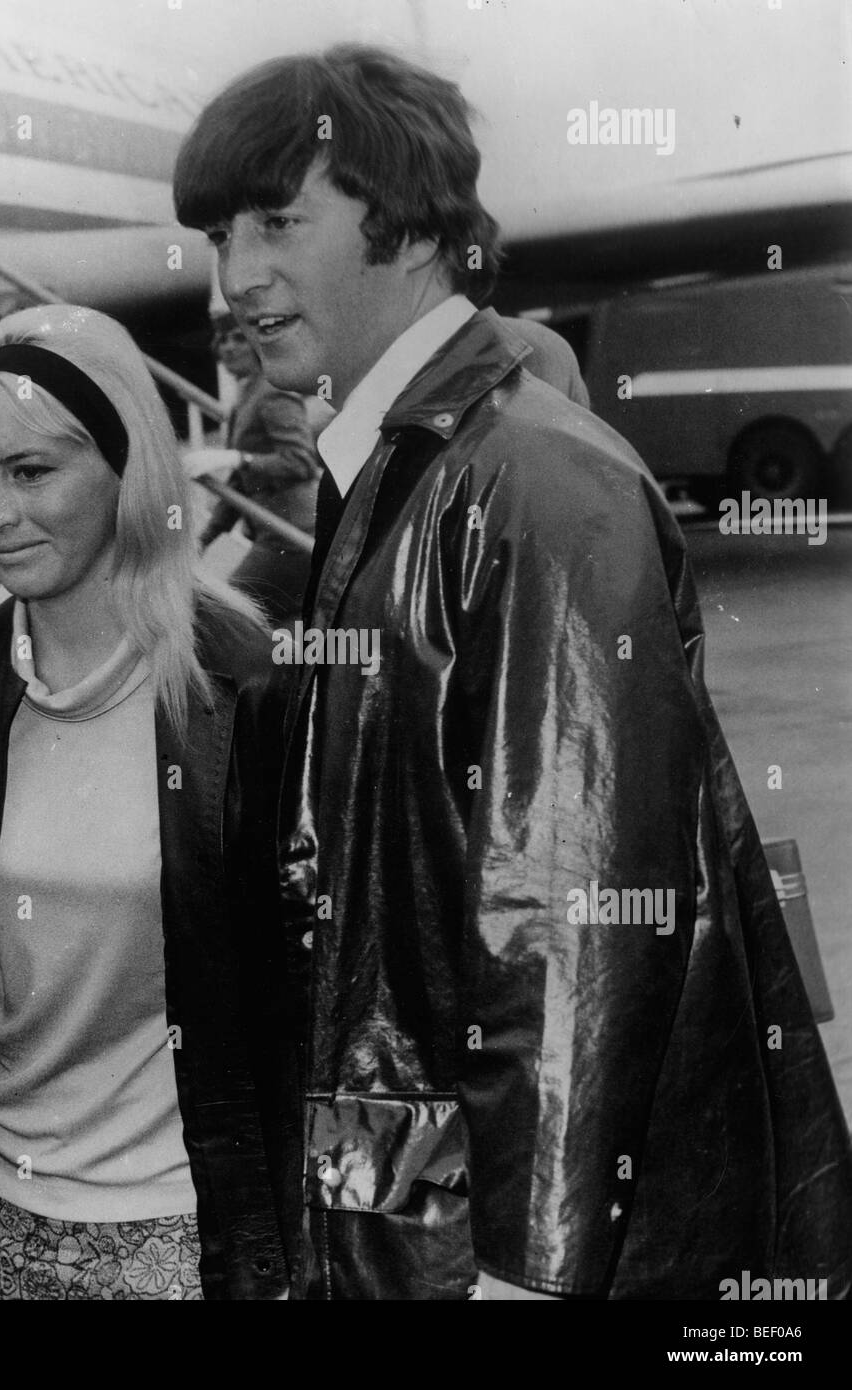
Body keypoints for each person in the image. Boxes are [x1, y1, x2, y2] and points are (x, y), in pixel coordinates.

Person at [174, 44, 852, 1300]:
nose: (235, 276)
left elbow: (571, 921)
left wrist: (526, 1276)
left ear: (414, 225)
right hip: (412, 1184)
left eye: (278, 220)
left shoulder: (534, 485)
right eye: (219, 234)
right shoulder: (394, 468)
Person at [0, 303, 292, 1300]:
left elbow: (317, 995)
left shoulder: (239, 683)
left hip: (181, 1234)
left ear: (129, 471)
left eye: (33, 472)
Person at [193, 309, 320, 625]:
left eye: (239, 338)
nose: (228, 348)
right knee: (280, 633)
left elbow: (301, 460)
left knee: (223, 618)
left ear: (258, 345)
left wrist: (237, 458)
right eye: (222, 340)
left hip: (291, 537)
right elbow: (239, 485)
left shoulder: (273, 391)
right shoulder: (247, 394)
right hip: (276, 536)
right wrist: (204, 540)